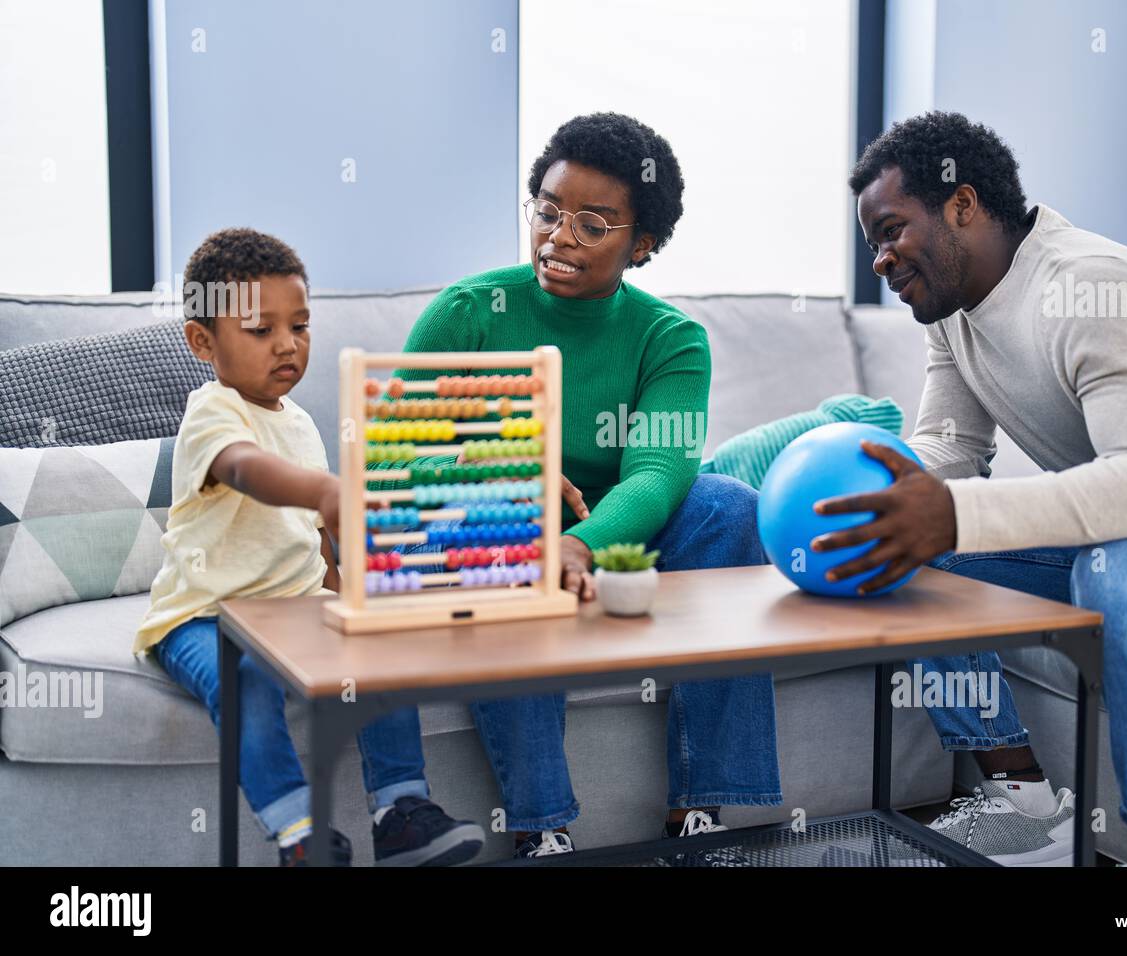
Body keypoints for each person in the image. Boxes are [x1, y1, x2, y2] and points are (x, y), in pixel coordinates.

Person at [816, 111, 1127, 866]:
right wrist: (874, 492)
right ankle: (1022, 805)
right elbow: (953, 445)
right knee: (898, 550)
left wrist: (951, 513)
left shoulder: (1093, 289)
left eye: (889, 231)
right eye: (870, 243)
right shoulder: (954, 315)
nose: (879, 259)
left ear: (963, 205)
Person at [396, 113, 782, 859]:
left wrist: (580, 542)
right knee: (506, 536)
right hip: (501, 526)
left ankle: (702, 819)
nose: (558, 236)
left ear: (642, 244)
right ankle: (543, 831)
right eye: (547, 211)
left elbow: (661, 471)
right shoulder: (471, 312)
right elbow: (402, 458)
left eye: (592, 224)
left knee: (729, 507)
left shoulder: (669, 337)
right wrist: (514, 484)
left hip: (612, 535)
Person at [134, 228, 484, 867]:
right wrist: (325, 490)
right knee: (244, 683)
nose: (287, 344)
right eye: (261, 330)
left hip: (293, 610)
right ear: (202, 341)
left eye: (299, 325)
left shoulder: (297, 421)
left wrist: (346, 584)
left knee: (380, 648)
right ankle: (299, 836)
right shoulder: (213, 411)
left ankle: (402, 813)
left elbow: (314, 537)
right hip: (204, 617)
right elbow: (244, 470)